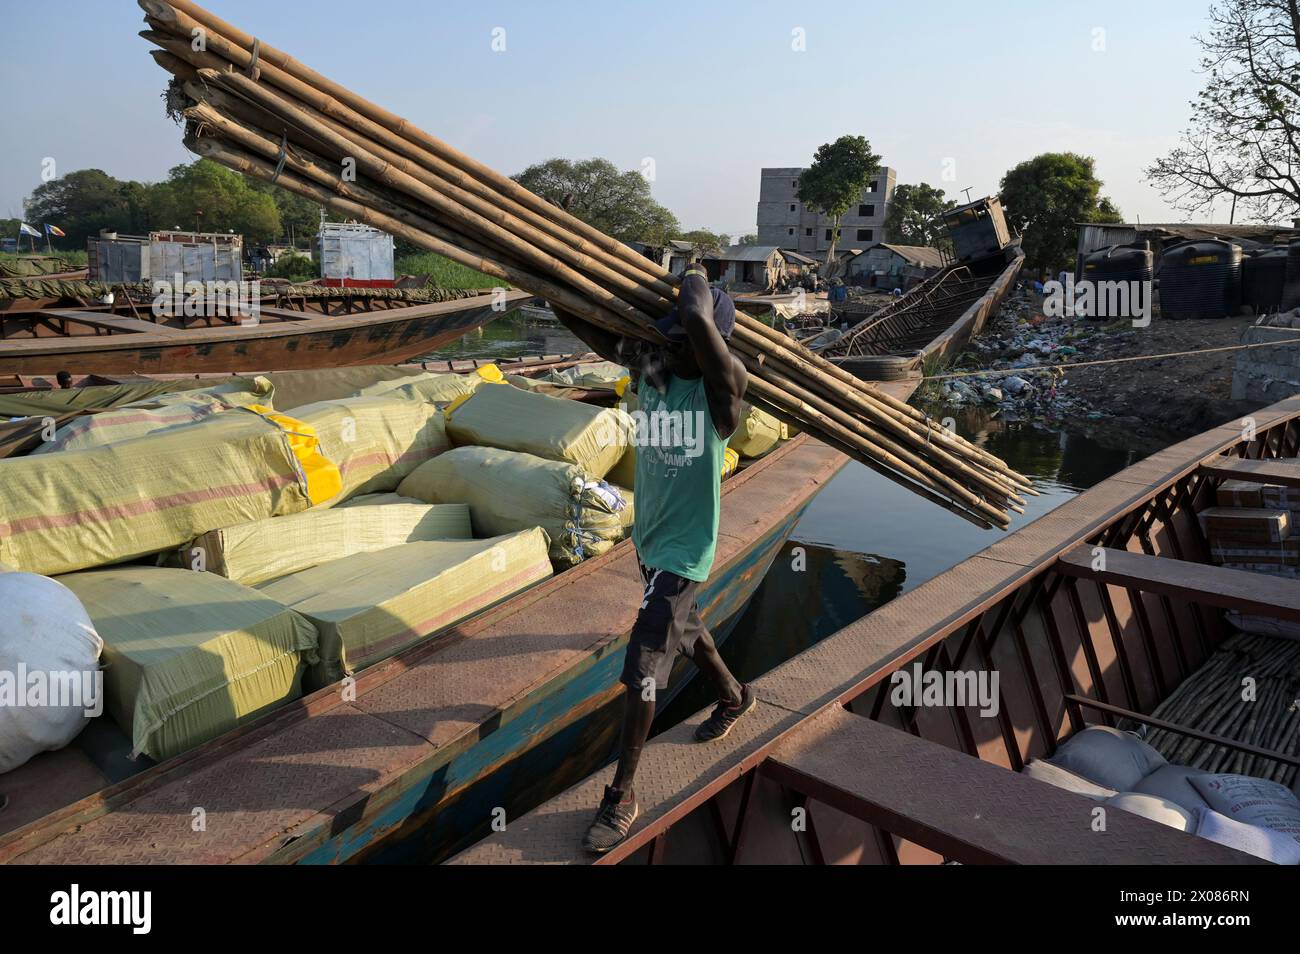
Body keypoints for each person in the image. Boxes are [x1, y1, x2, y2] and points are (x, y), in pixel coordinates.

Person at [551, 266, 756, 853]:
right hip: (649, 539)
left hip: (686, 551)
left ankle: (621, 796)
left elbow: (695, 314)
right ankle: (735, 696)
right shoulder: (657, 373)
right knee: (688, 632)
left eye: (682, 339)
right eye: (664, 340)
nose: (666, 345)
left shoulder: (724, 390)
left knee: (645, 665)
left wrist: (691, 275)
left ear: (710, 342)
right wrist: (550, 284)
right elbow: (594, 333)